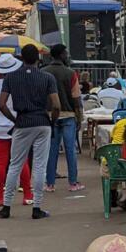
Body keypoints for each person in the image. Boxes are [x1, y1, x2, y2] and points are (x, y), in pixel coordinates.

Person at [0, 45, 59, 220]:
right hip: (42, 122)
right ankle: (37, 207)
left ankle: (6, 207)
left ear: (21, 58)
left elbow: (1, 104)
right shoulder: (47, 78)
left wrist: (14, 119)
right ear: (38, 58)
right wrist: (52, 121)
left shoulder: (11, 77)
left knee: (15, 164)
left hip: (22, 122)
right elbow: (56, 105)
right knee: (39, 166)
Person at [0, 54, 33, 207]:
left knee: (0, 163)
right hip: (18, 127)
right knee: (21, 162)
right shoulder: (22, 83)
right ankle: (27, 194)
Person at [42, 45, 84, 193]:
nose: (67, 55)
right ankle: (73, 183)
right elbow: (76, 98)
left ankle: (50, 183)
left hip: (49, 116)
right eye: (65, 53)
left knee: (51, 150)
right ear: (61, 55)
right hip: (68, 115)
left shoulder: (43, 72)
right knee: (70, 150)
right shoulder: (71, 73)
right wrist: (79, 117)